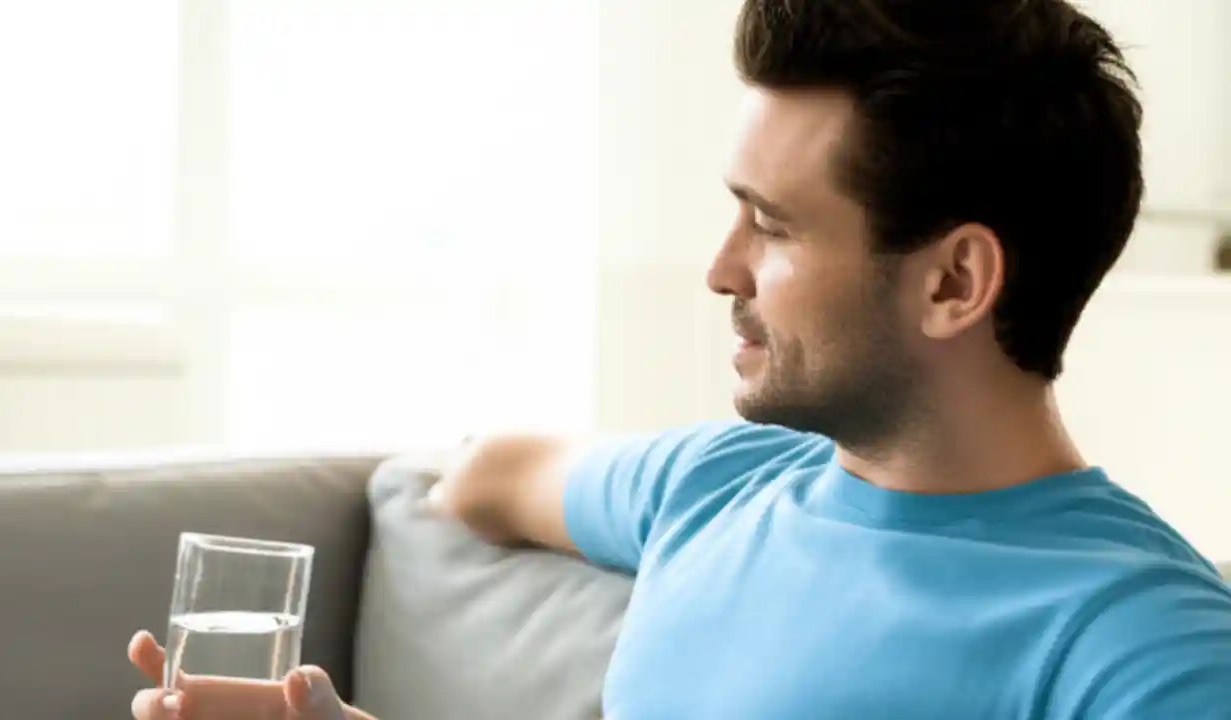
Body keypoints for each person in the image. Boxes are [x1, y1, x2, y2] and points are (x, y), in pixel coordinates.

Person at [129, 0, 1231, 717]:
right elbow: (479, 478)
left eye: (775, 224)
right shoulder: (703, 487)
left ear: (951, 282)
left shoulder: (1142, 651)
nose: (718, 268)